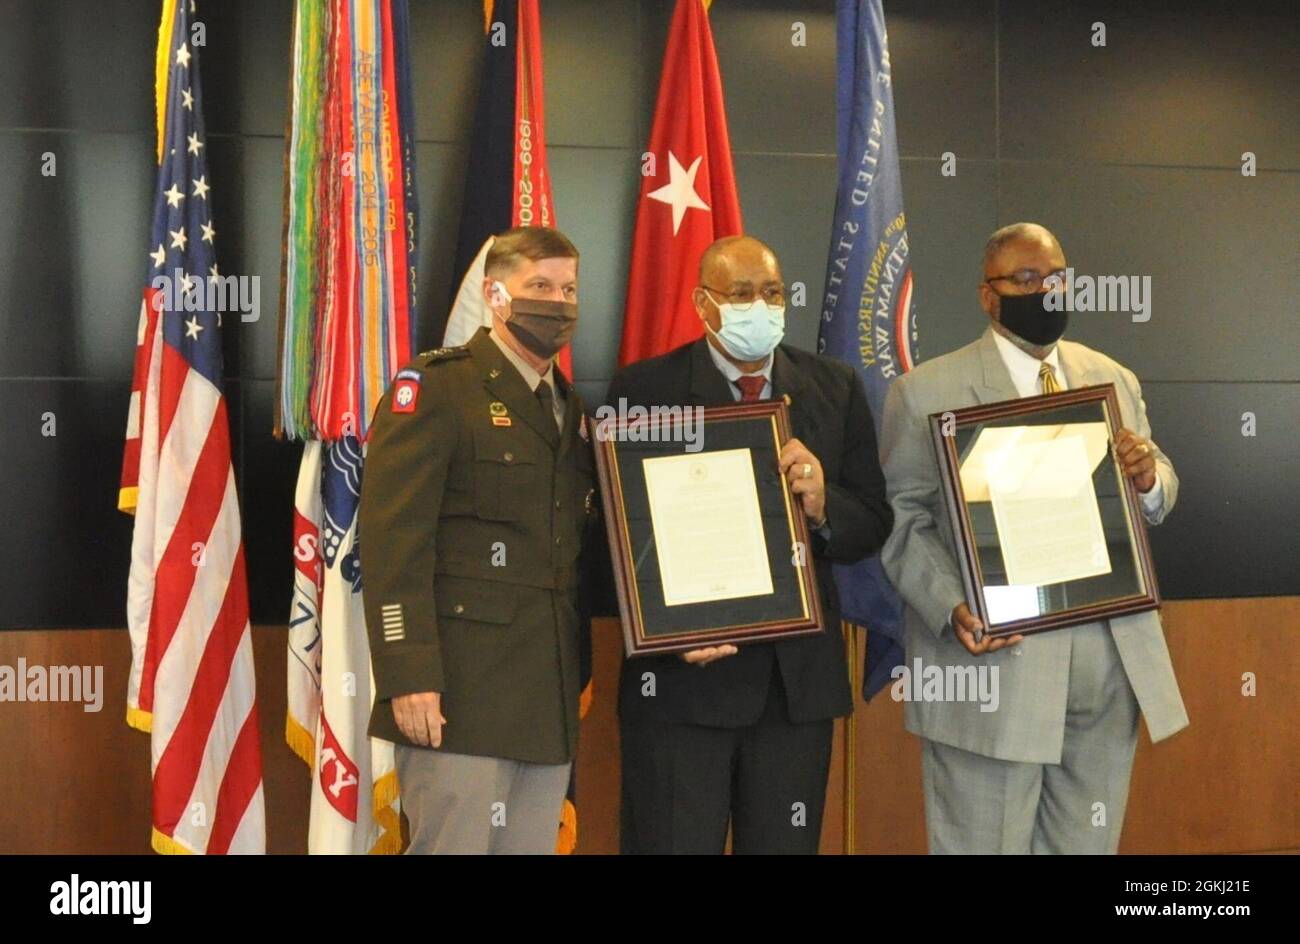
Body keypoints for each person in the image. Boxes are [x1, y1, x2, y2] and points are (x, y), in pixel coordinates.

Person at [880, 222, 1188, 854]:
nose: (1045, 290)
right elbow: (900, 520)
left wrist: (1149, 476)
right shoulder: (925, 391)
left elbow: (1159, 488)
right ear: (988, 297)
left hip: (1107, 662)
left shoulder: (1112, 379)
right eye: (1025, 279)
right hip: (994, 663)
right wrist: (950, 606)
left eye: (1056, 277)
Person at [608, 234, 893, 853]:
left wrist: (823, 505)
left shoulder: (833, 386)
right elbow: (618, 536)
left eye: (772, 293)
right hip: (682, 690)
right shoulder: (645, 389)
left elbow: (872, 521)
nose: (759, 307)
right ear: (702, 303)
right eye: (740, 294)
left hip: (793, 694)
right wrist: (673, 629)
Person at [358, 226, 598, 854]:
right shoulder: (438, 388)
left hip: (543, 696)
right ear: (495, 294)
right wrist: (408, 674)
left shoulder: (569, 408)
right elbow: (392, 542)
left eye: (569, 288)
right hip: (455, 695)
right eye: (539, 286)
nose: (559, 302)